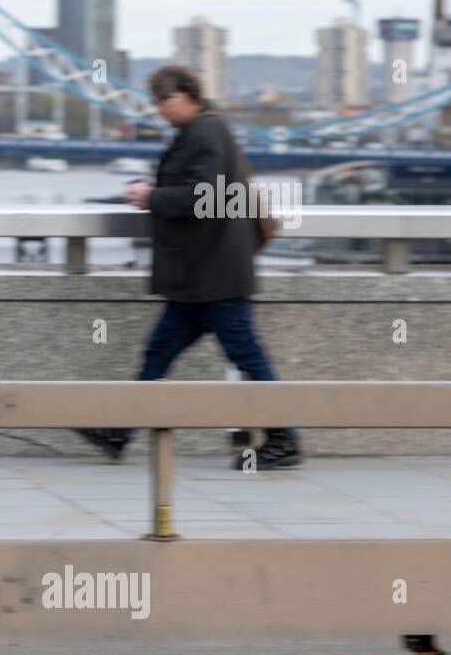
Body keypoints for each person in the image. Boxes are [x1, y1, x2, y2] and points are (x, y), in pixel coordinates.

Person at [77, 65, 302, 470]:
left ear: (189, 96)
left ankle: (284, 439)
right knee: (159, 352)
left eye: (168, 100)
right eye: (158, 102)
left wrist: (151, 197)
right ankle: (119, 432)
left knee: (247, 356)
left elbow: (204, 196)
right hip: (201, 276)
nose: (161, 109)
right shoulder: (200, 131)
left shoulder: (206, 131)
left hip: (216, 275)